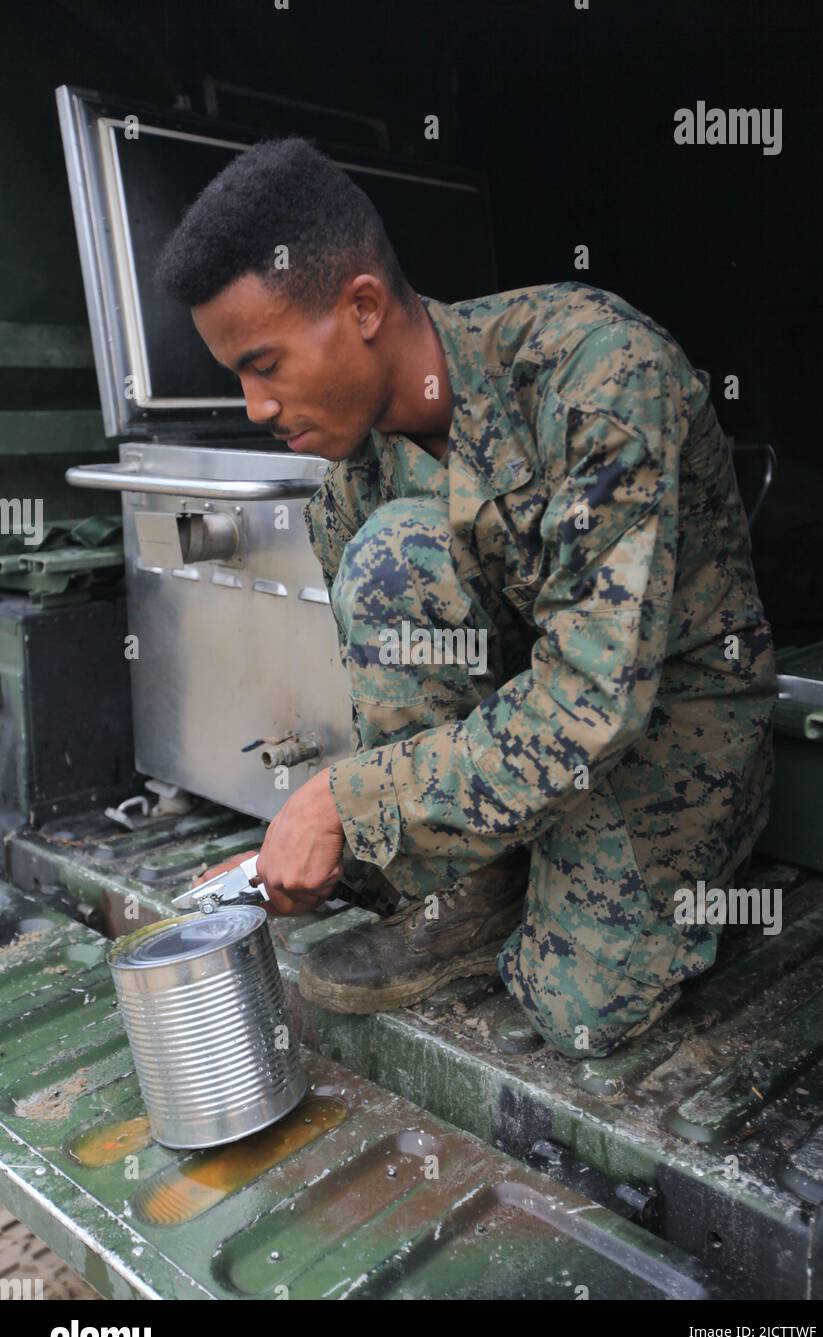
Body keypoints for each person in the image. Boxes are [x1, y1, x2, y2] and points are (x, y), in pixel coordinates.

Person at [156, 136, 776, 1059]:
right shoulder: (349, 474)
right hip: (523, 731)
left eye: (265, 364)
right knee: (390, 557)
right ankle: (480, 889)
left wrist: (343, 805)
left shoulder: (596, 373)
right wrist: (310, 857)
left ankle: (704, 843)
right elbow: (402, 718)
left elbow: (596, 700)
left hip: (668, 713)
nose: (253, 406)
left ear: (362, 306)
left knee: (576, 1007)